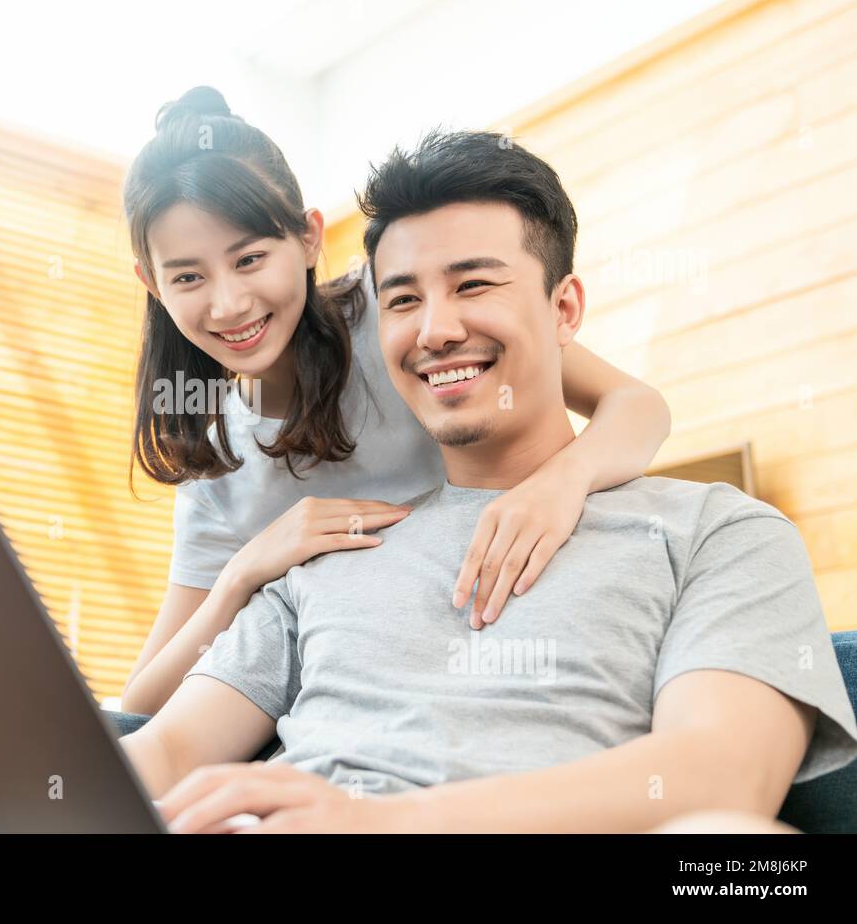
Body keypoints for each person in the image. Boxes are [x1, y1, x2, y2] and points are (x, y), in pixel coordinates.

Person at [118, 128, 857, 833]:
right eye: (403, 299)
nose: (435, 330)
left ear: (564, 307)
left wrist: (377, 822)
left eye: (473, 284)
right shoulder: (321, 557)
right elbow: (166, 746)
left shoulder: (717, 533)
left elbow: (722, 782)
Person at [120, 87, 672, 715]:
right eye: (188, 276)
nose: (229, 304)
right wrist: (243, 572)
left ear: (307, 239)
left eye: (250, 258)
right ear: (151, 283)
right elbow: (141, 704)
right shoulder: (216, 456)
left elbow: (637, 403)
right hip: (375, 678)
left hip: (511, 604)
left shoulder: (403, 309)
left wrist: (561, 482)